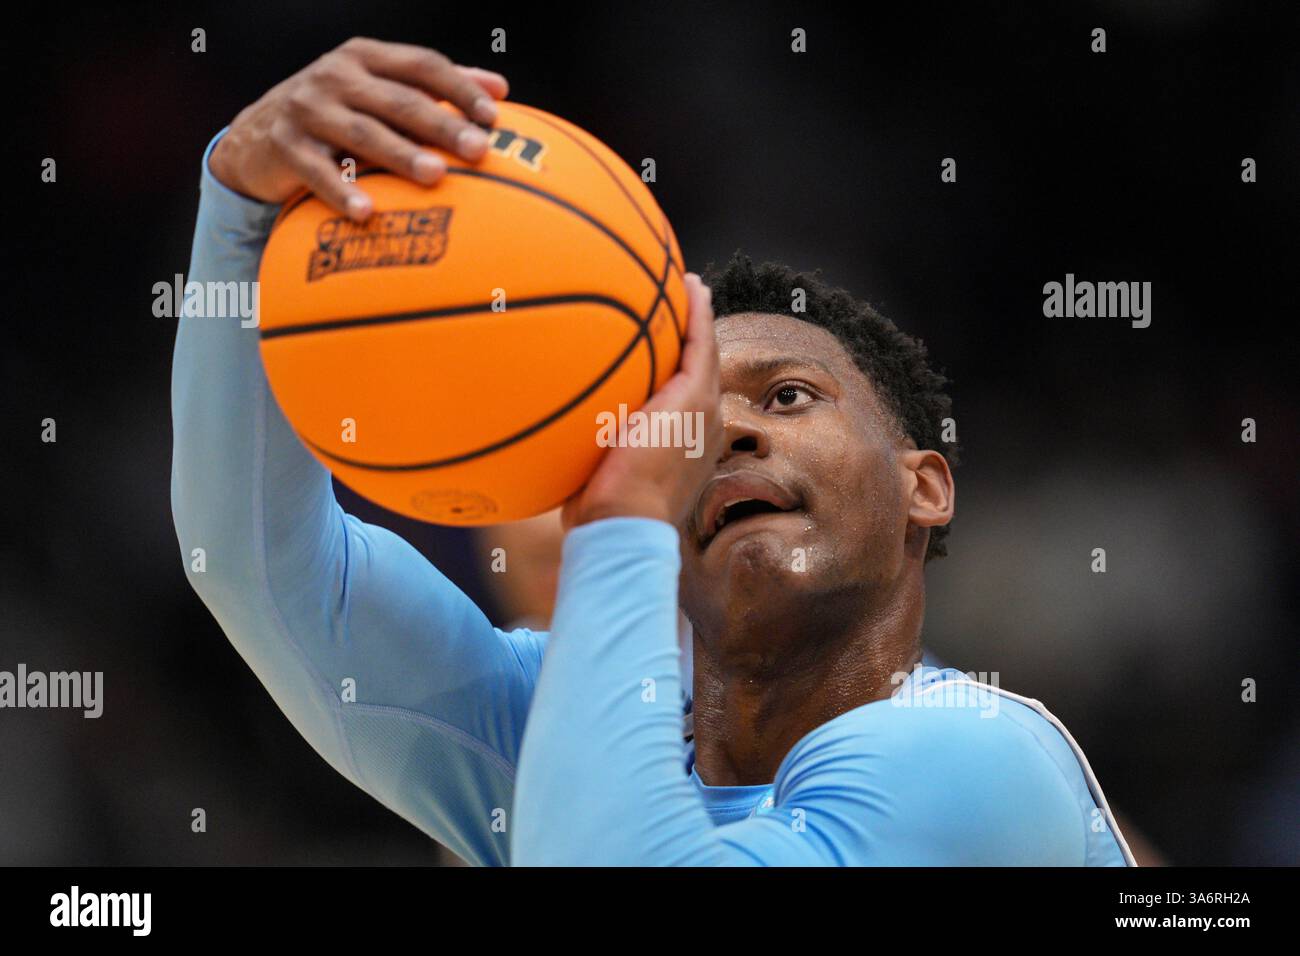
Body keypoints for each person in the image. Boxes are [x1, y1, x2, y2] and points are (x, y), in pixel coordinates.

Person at [172, 37, 1134, 865]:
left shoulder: (974, 757)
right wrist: (244, 210)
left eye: (790, 396)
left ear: (924, 487)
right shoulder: (561, 735)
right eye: (686, 417)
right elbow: (262, 564)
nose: (725, 431)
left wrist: (625, 523)